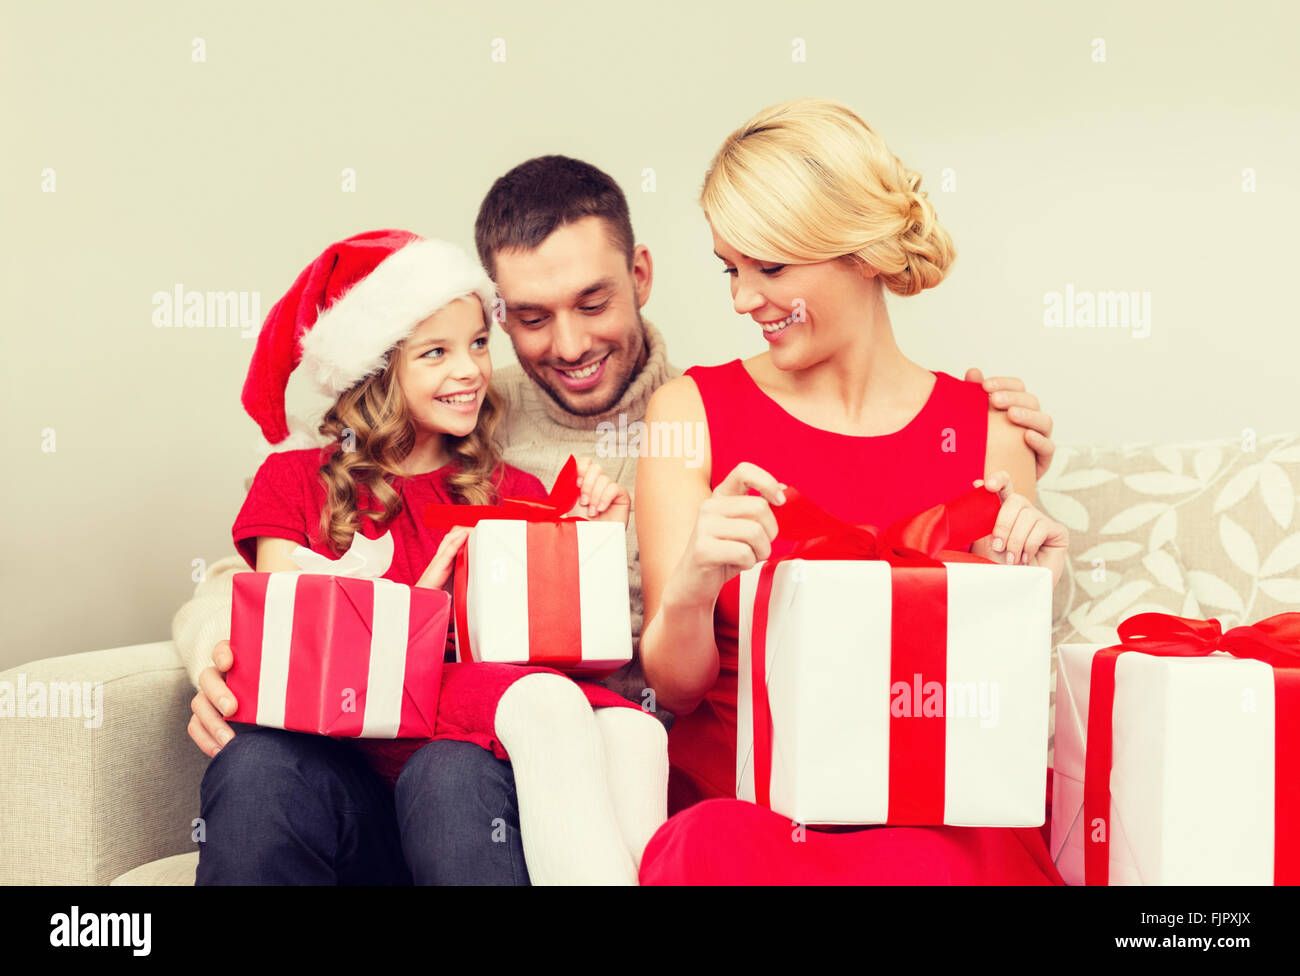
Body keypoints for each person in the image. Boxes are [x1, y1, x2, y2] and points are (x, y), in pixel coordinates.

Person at [176, 156, 1061, 883]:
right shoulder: (462, 406)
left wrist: (1005, 501)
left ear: (640, 276)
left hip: (563, 755)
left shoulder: (704, 410)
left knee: (465, 777)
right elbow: (293, 535)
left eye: (592, 303)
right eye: (525, 319)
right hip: (431, 737)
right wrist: (224, 655)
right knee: (265, 767)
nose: (565, 345)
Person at [635, 97, 1070, 884]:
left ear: (861, 254)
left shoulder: (989, 429)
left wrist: (1045, 579)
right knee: (710, 849)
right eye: (730, 269)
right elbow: (675, 685)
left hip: (927, 813)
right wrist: (695, 586)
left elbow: (994, 680)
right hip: (752, 810)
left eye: (770, 267)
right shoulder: (689, 412)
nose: (740, 300)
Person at [198, 229, 664, 885]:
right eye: (436, 352)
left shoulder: (515, 494)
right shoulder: (295, 482)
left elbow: (566, 666)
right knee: (255, 761)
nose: (472, 369)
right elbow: (286, 663)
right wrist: (412, 614)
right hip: (342, 793)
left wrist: (590, 550)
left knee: (452, 770)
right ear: (377, 371)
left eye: (478, 342)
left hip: (462, 794)